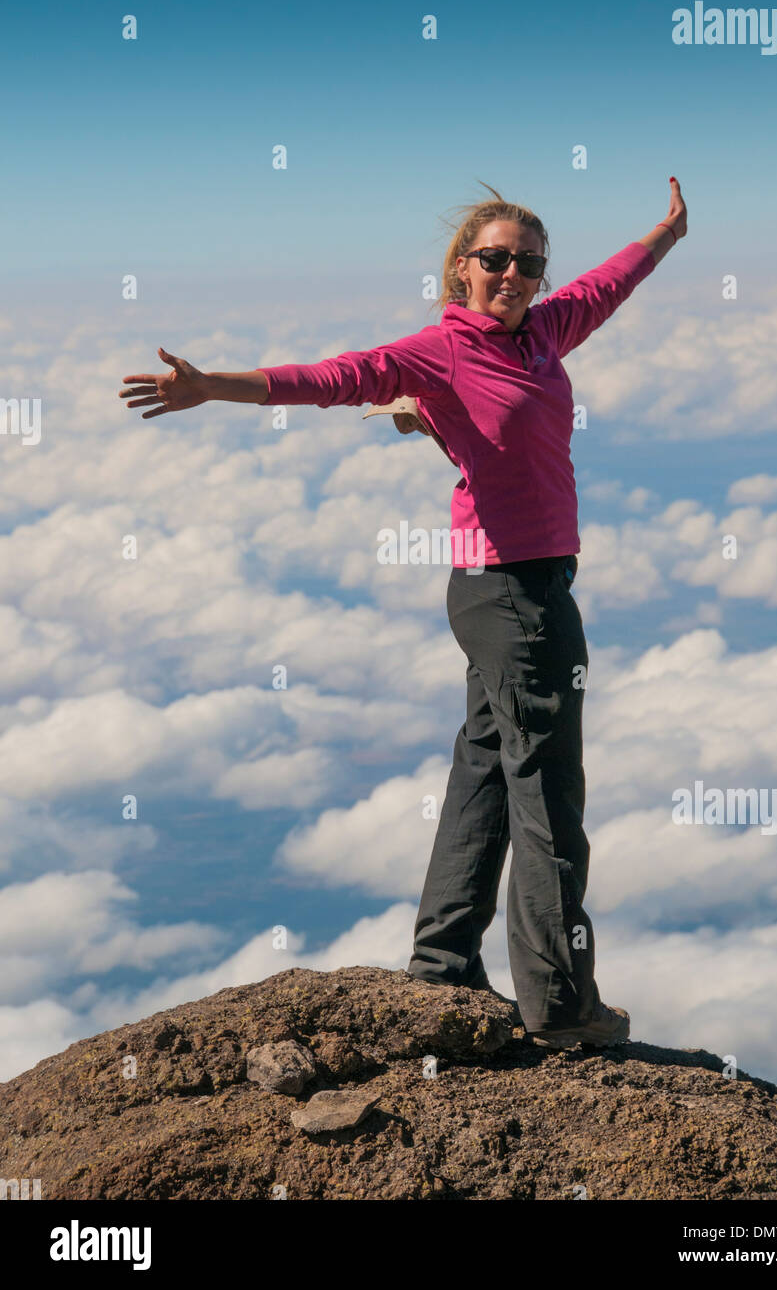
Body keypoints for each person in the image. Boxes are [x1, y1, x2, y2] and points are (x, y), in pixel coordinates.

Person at [118, 176, 687, 1049]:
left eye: (529, 264)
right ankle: (562, 1005)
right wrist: (214, 387)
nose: (514, 275)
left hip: (505, 589)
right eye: (495, 260)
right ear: (461, 269)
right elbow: (336, 378)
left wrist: (664, 235)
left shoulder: (543, 331)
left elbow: (605, 285)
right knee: (548, 796)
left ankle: (443, 964)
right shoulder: (441, 351)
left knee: (489, 770)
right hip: (515, 599)